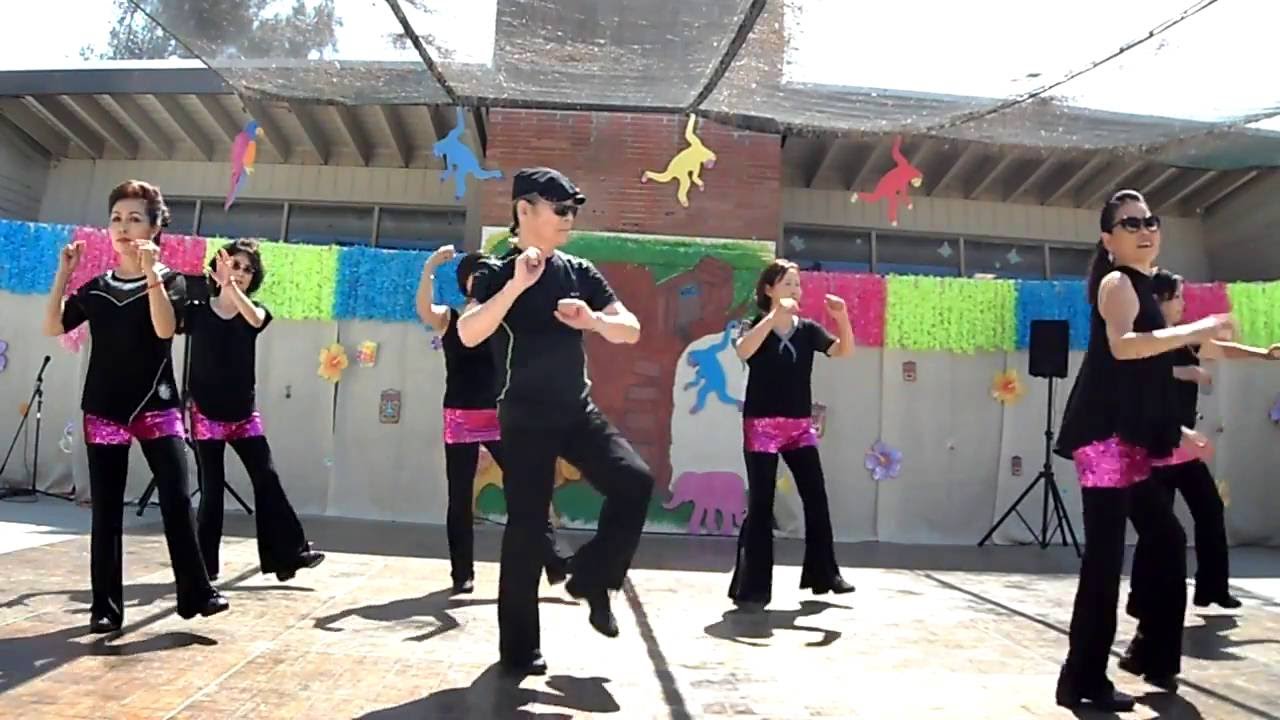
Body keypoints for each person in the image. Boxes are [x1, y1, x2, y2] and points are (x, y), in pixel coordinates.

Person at [459, 167, 655, 675]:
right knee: (526, 527)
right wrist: (516, 287)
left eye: (574, 209)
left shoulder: (580, 270)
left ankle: (592, 576)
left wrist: (593, 321)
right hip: (524, 417)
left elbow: (629, 329)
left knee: (634, 481)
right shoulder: (496, 270)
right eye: (560, 209)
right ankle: (519, 649)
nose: (570, 218)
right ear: (525, 211)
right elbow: (469, 332)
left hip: (576, 410)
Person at [1052, 189, 1234, 711]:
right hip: (1105, 441)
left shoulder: (1148, 288)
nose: (1143, 229)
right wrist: (1197, 326)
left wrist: (1178, 435)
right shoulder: (1117, 282)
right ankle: (1082, 678)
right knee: (1105, 564)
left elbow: (1146, 379)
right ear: (1108, 240)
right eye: (1129, 224)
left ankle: (1149, 651)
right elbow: (1124, 347)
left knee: (1166, 536)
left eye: (1149, 220)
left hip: (1130, 439)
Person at [41, 179, 228, 633]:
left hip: (157, 404)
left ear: (157, 226)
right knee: (106, 510)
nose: (123, 227)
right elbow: (52, 325)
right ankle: (105, 607)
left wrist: (151, 274)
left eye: (135, 218)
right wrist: (64, 275)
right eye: (116, 218)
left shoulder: (174, 283)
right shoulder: (97, 287)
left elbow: (165, 330)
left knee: (177, 500)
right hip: (104, 407)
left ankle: (196, 593)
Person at [414, 244, 571, 594]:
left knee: (528, 489)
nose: (480, 278)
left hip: (500, 416)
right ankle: (462, 573)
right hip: (460, 416)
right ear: (465, 282)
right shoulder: (451, 319)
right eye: (474, 273)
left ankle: (555, 560)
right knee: (460, 498)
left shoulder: (502, 317)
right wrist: (429, 268)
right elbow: (424, 308)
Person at [1126, 270, 1280, 617]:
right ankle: (1140, 597)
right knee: (1158, 529)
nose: (1183, 303)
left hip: (1183, 447)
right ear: (1159, 300)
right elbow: (1133, 375)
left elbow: (1218, 349)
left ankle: (1212, 588)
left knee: (1209, 511)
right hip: (1155, 446)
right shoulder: (1142, 338)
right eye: (1177, 297)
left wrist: (1263, 354)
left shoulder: (1185, 336)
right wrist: (1185, 373)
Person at [189, 240, 325, 583]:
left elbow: (253, 318)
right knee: (212, 491)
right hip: (206, 413)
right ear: (218, 268)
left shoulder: (256, 310)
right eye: (234, 265)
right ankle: (205, 568)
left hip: (243, 413)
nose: (241, 273)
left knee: (267, 479)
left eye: (248, 269)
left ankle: (288, 556)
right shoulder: (198, 311)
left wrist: (231, 286)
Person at [728, 259, 856, 608]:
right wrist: (772, 318)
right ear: (768, 289)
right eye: (787, 284)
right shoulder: (753, 324)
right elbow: (743, 352)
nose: (794, 291)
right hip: (762, 426)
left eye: (797, 285)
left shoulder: (809, 329)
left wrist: (841, 317)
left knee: (816, 497)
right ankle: (753, 587)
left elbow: (844, 351)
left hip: (799, 428)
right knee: (761, 504)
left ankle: (825, 574)